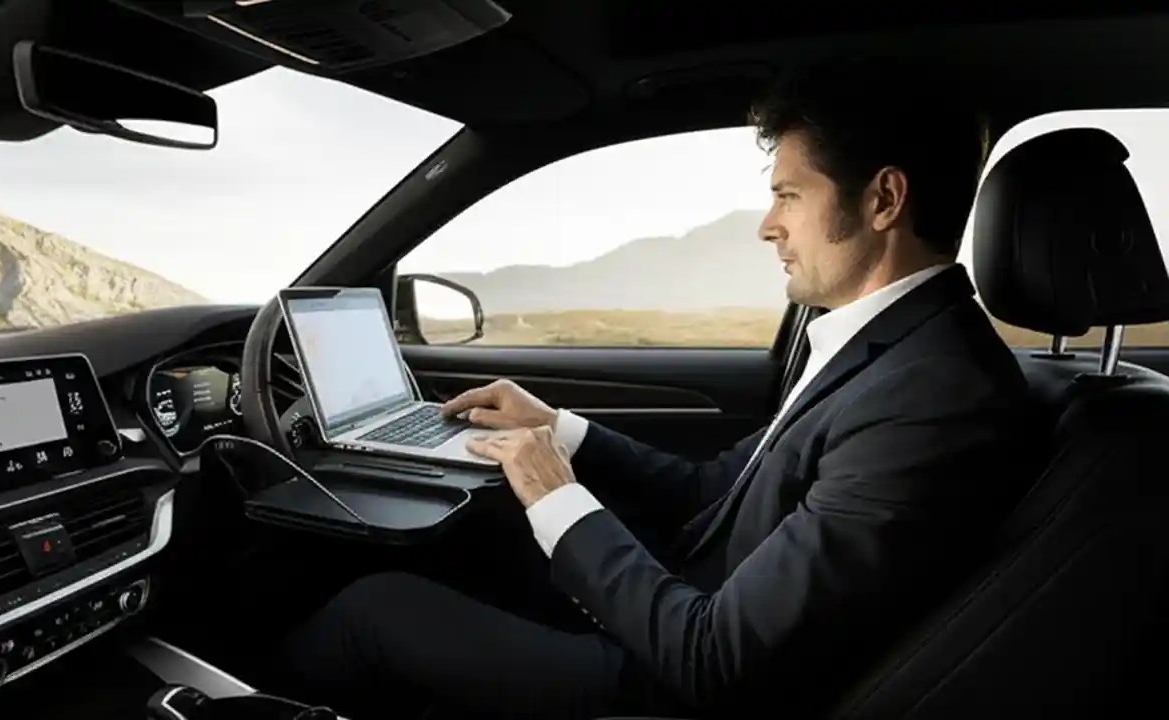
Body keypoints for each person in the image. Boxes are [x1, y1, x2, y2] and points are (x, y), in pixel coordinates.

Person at [282, 57, 1032, 719]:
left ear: (883, 200)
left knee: (372, 610)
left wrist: (555, 496)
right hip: (678, 609)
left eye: (789, 196)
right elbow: (714, 490)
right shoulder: (890, 350)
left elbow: (716, 661)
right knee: (472, 550)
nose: (768, 226)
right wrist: (558, 430)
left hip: (666, 677)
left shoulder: (932, 396)